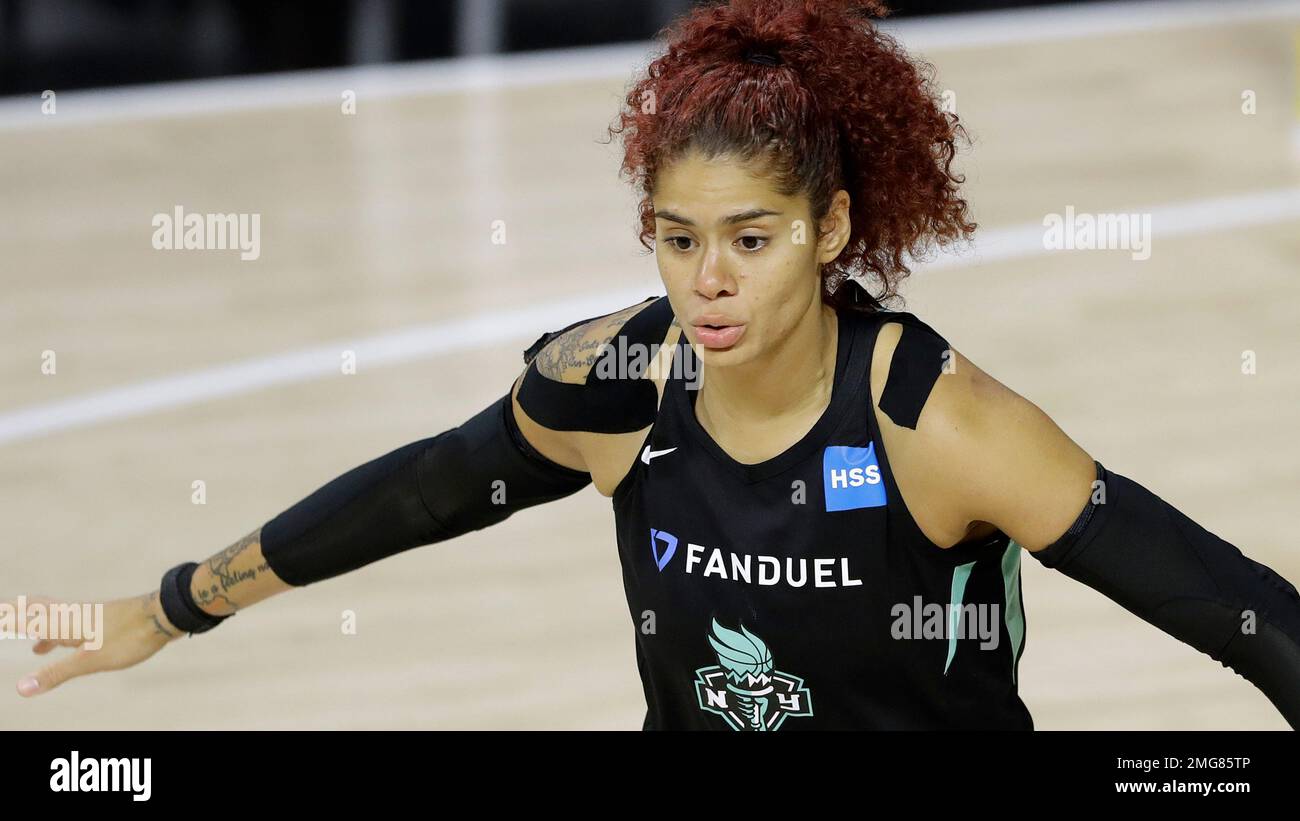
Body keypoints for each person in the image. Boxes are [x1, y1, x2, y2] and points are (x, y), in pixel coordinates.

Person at [11, 0, 1299, 730]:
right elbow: (416, 494)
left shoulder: (938, 425)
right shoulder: (611, 391)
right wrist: (173, 605)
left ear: (833, 230)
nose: (710, 282)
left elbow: (1236, 607)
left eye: (752, 239)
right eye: (678, 241)